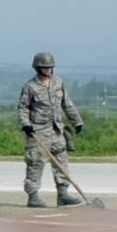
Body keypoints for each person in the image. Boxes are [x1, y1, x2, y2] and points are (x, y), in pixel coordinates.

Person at [17, 52, 84, 207]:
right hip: (38, 131)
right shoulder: (30, 87)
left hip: (56, 130)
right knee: (36, 162)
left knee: (61, 161)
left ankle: (63, 194)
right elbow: (23, 108)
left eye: (50, 67)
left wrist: (77, 121)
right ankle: (33, 196)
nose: (47, 69)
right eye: (44, 67)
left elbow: (67, 103)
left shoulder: (58, 82)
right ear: (38, 68)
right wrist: (25, 124)